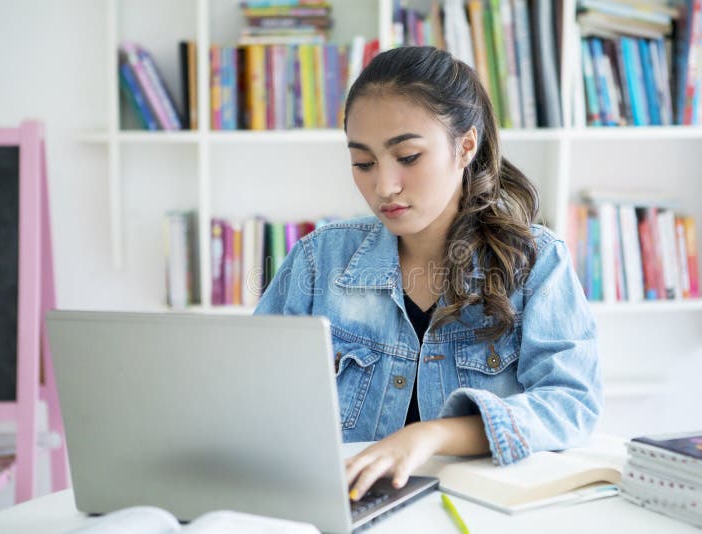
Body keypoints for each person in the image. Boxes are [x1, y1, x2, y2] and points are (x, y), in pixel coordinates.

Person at [254, 46, 601, 501]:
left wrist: (432, 436)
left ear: (466, 146)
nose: (384, 186)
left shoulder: (536, 262)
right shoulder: (319, 260)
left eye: (409, 156)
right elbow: (254, 397)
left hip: (478, 513)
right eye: (363, 163)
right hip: (343, 508)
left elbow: (570, 404)